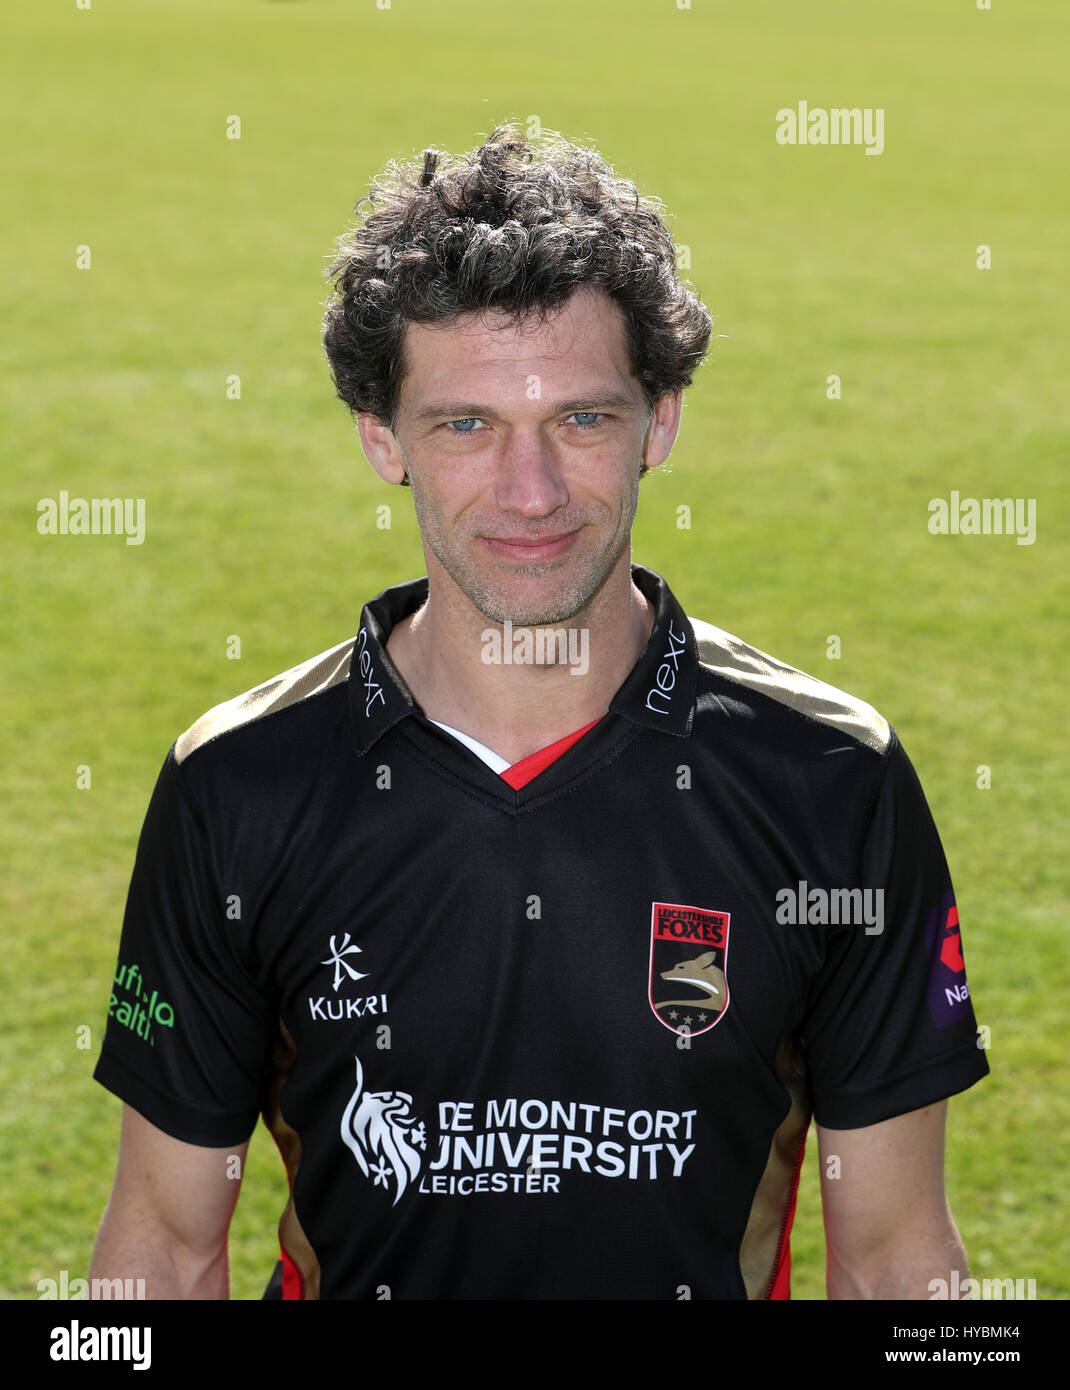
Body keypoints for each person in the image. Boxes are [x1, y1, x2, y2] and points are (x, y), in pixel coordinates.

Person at [89, 125, 988, 1300]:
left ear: (658, 422)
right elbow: (159, 1253)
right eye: (465, 425)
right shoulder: (238, 783)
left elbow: (894, 1264)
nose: (530, 494)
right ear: (381, 439)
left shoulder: (827, 778)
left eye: (581, 419)